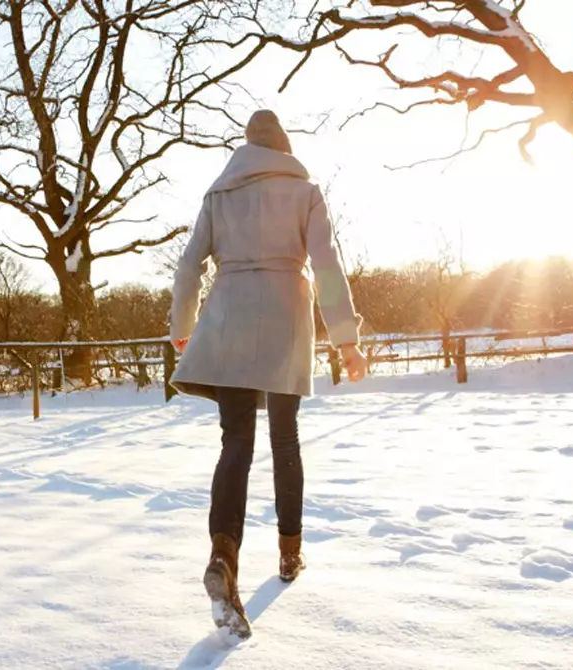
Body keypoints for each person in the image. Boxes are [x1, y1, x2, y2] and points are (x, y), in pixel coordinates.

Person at [168, 110, 368, 639]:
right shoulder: (304, 190)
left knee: (235, 441)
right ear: (283, 146)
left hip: (229, 318)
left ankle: (222, 555)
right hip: (284, 321)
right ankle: (289, 553)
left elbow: (189, 266)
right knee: (284, 439)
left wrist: (182, 328)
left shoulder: (219, 193)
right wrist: (346, 339)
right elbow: (326, 265)